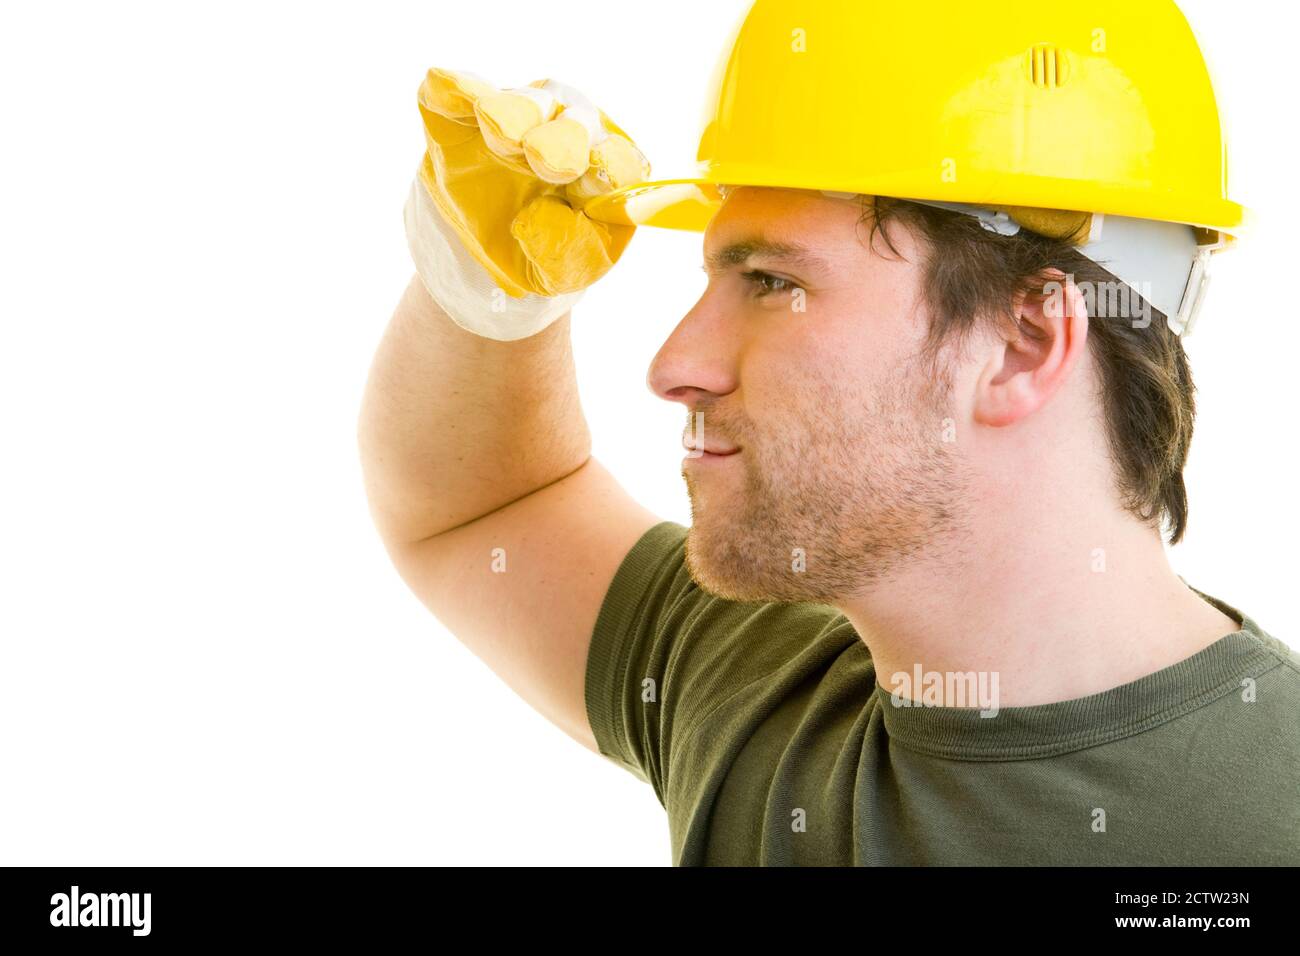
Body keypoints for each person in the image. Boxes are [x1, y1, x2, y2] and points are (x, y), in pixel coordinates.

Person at [358, 1, 1300, 865]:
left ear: (1021, 345)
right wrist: (481, 292)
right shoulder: (763, 688)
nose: (671, 364)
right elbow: (482, 507)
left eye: (772, 282)